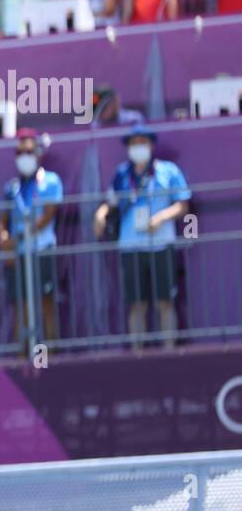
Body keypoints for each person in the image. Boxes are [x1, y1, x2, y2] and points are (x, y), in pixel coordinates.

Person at [93, 129, 191, 349]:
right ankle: (137, 354)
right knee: (137, 304)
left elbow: (183, 205)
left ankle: (169, 351)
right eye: (133, 143)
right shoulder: (121, 174)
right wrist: (100, 214)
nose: (138, 146)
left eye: (142, 142)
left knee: (165, 302)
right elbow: (111, 202)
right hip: (131, 246)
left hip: (161, 244)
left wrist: (161, 217)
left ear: (151, 145)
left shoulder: (168, 171)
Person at [0, 130, 62, 345]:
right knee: (21, 306)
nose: (24, 156)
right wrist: (4, 240)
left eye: (28, 151)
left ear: (38, 153)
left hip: (42, 250)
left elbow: (48, 215)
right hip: (19, 254)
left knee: (46, 304)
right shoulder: (12, 187)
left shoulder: (51, 181)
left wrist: (21, 236)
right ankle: (23, 356)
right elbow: (3, 219)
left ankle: (51, 356)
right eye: (19, 152)